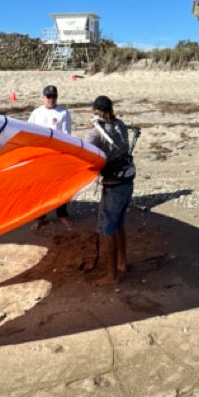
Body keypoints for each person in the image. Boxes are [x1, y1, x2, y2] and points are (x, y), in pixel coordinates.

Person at [85, 95, 135, 284]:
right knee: (119, 224)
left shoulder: (95, 133)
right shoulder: (121, 125)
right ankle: (122, 263)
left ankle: (112, 275)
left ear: (95, 110)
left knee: (107, 229)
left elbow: (88, 156)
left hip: (114, 186)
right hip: (127, 181)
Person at [28, 85, 73, 227]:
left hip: (57, 154)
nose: (51, 99)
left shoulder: (63, 112)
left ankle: (62, 214)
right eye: (48, 97)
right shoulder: (36, 113)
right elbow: (29, 132)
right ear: (43, 98)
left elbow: (66, 134)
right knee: (41, 187)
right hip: (41, 155)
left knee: (61, 186)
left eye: (54, 96)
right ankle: (40, 217)